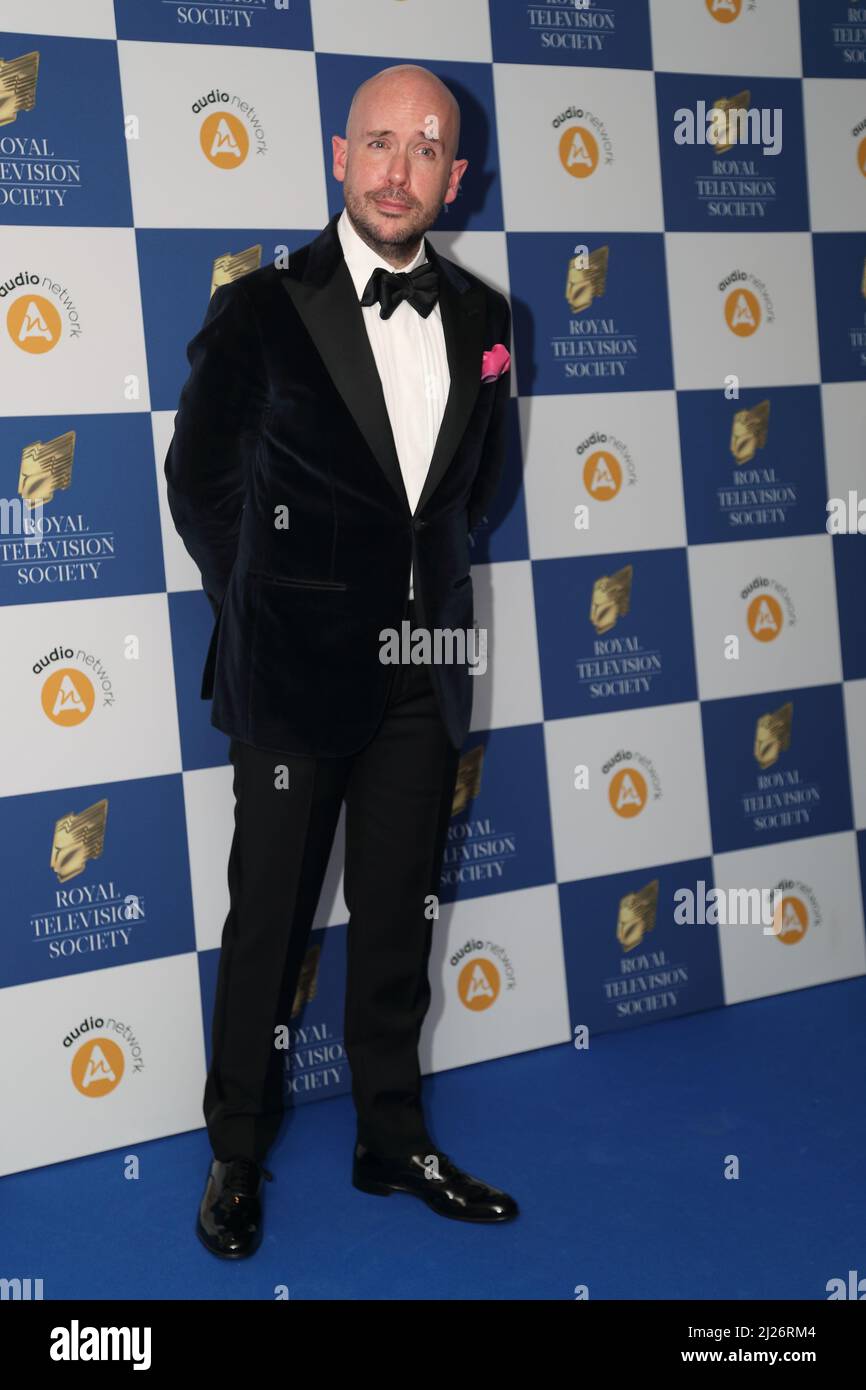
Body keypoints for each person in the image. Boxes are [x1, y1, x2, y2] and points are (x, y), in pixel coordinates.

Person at [164, 62, 517, 1260]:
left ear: (451, 177)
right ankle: (234, 1154)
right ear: (339, 154)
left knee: (398, 917)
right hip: (292, 672)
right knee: (267, 920)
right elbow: (200, 483)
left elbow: (486, 483)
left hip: (424, 662)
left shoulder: (482, 322)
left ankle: (391, 1135)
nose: (399, 168)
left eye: (426, 150)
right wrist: (267, 607)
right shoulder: (265, 307)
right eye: (380, 142)